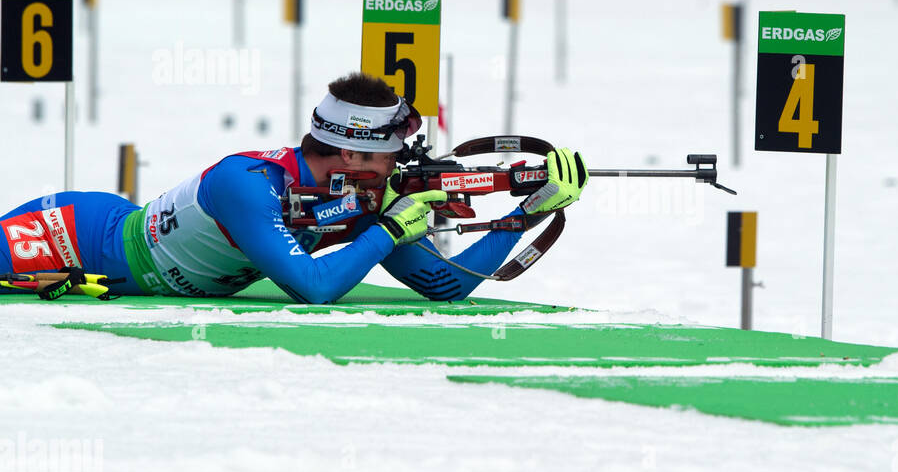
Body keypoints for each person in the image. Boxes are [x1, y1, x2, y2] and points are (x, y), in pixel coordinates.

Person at [0, 72, 588, 303]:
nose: (399, 167)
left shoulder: (365, 200)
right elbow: (312, 288)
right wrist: (386, 230)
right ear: (351, 152)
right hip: (74, 236)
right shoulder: (246, 183)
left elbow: (445, 284)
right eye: (390, 155)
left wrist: (529, 211)